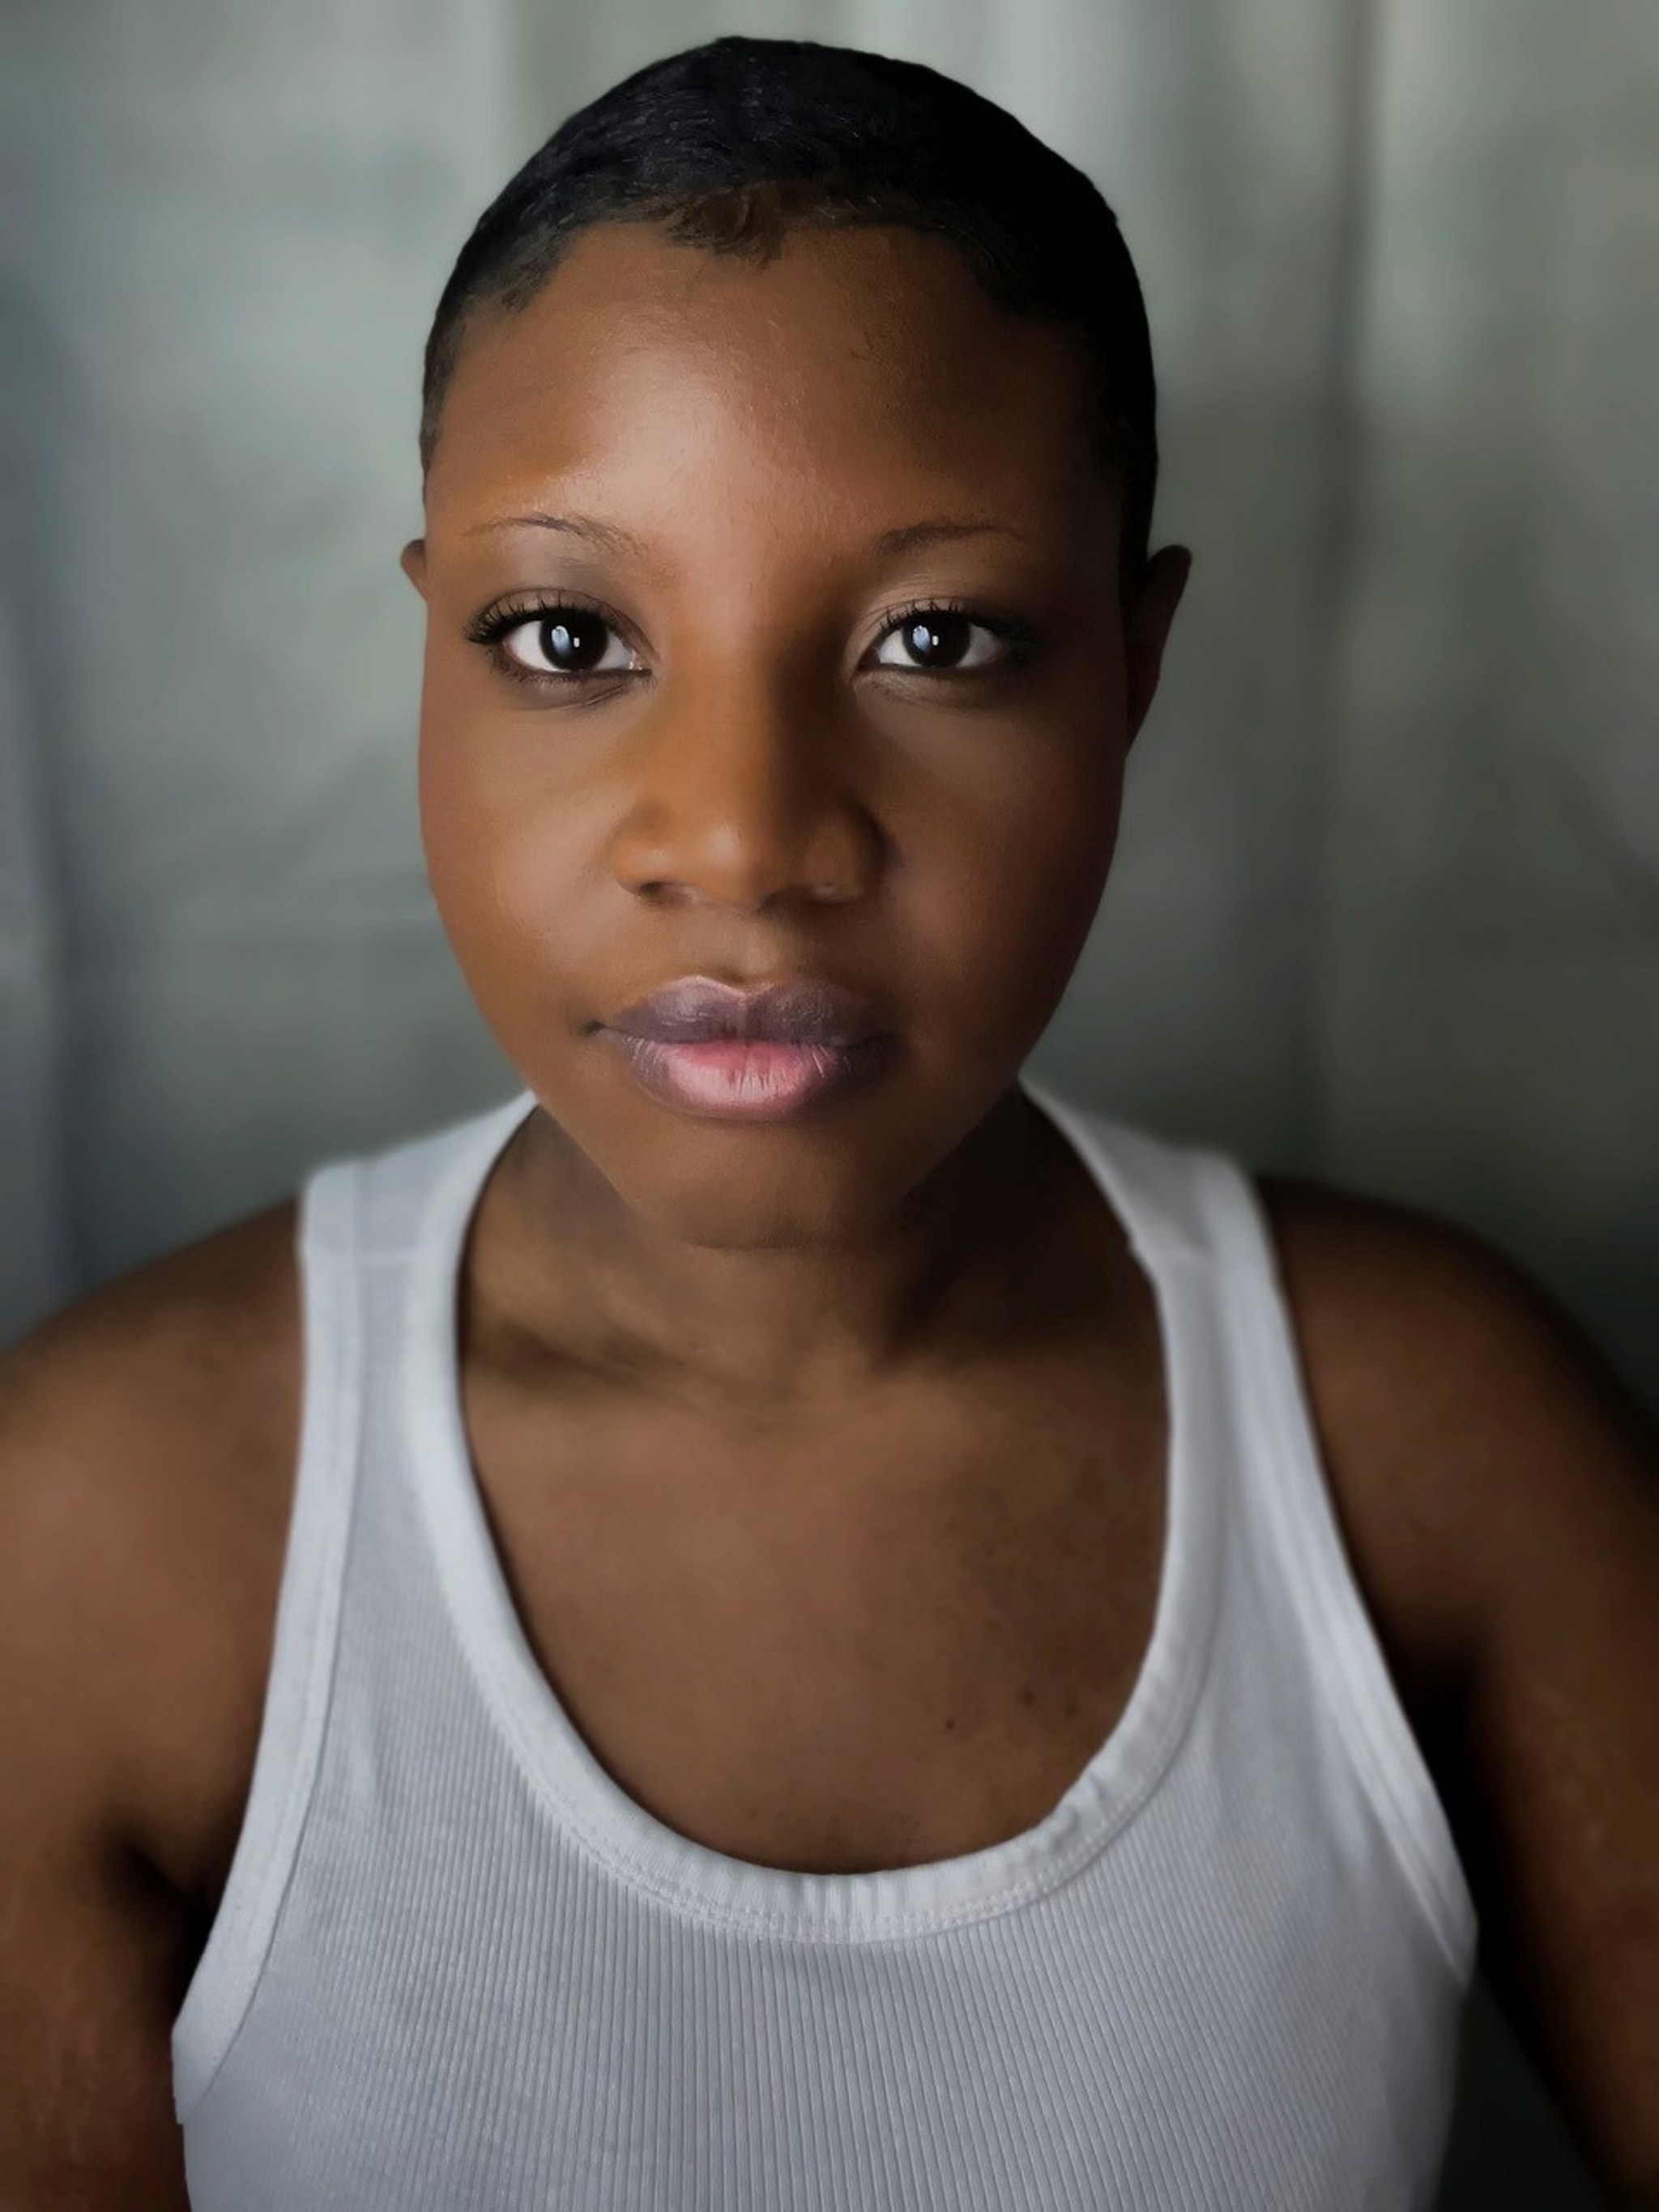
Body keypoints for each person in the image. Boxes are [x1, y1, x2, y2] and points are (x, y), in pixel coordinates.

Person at [2, 32, 1656, 2211]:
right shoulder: (104, 1531)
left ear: (1135, 665)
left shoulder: (1436, 1443)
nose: (747, 836)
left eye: (937, 636)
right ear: (432, 643)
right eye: (570, 631)